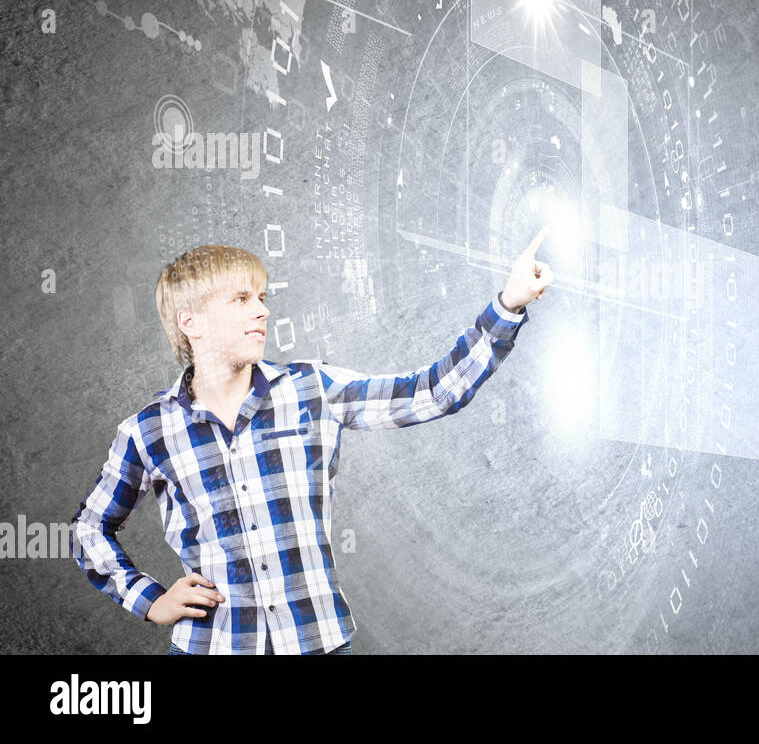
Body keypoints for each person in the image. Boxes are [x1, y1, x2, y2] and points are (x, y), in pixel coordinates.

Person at [69, 227, 553, 654]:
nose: (262, 310)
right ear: (190, 321)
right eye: (241, 299)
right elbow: (89, 529)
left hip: (316, 642)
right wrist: (150, 601)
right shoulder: (148, 430)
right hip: (212, 647)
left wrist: (507, 305)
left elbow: (431, 392)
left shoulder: (313, 389)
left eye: (261, 297)